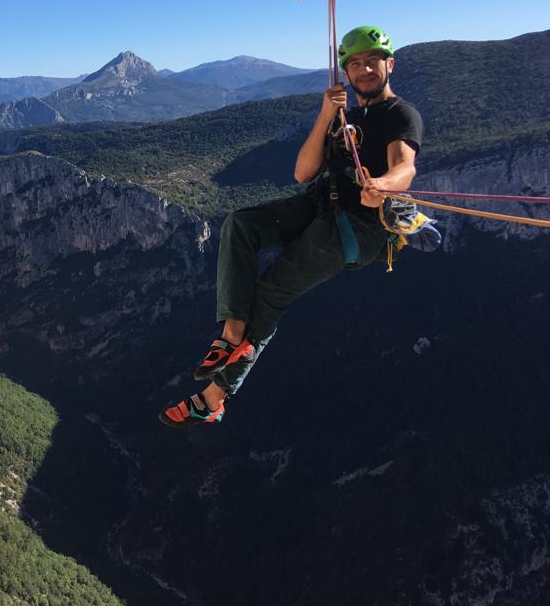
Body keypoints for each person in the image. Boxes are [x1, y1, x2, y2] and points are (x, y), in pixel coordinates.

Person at [160, 25, 424, 427]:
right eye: (355, 63)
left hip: (357, 226)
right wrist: (324, 116)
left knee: (268, 294)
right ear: (346, 73)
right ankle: (231, 335)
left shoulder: (399, 114)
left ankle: (214, 397)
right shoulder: (344, 117)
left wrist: (382, 186)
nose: (365, 69)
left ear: (390, 64)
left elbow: (404, 165)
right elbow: (303, 172)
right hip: (318, 204)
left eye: (373, 61)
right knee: (239, 224)